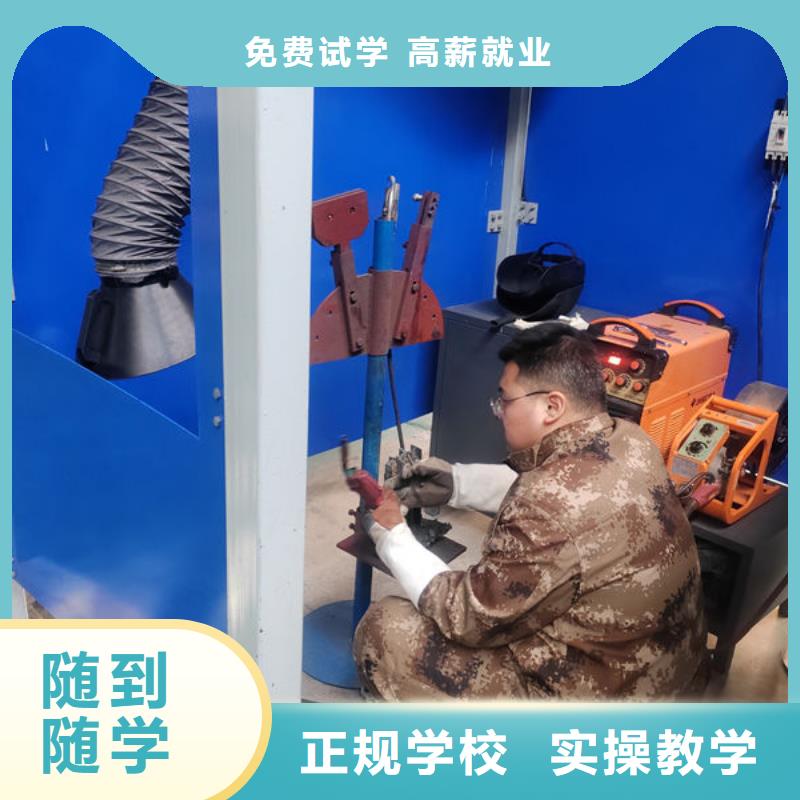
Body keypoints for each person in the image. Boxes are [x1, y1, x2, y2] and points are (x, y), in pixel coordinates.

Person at [352, 323, 708, 701]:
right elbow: (574, 499)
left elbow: (469, 616)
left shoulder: (544, 505)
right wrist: (459, 483)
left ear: (552, 406)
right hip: (671, 669)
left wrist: (392, 535)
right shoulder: (632, 439)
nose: (498, 411)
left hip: (603, 700)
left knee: (385, 628)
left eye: (505, 400)